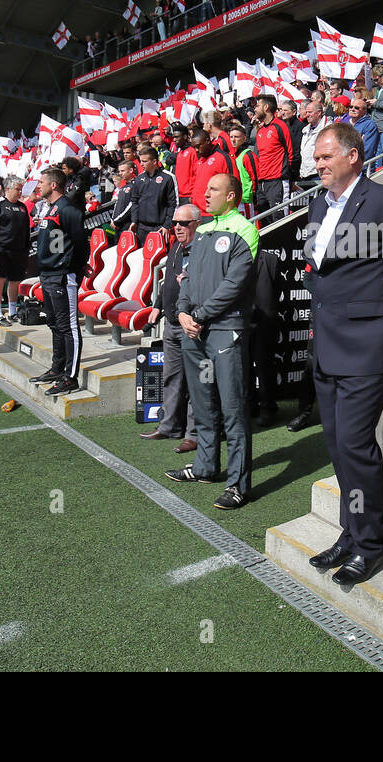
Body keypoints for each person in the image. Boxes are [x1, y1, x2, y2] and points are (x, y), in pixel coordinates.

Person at [303, 123, 383, 586]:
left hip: (368, 346)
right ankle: (351, 530)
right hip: (328, 344)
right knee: (338, 445)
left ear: (354, 156)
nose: (317, 165)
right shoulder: (320, 202)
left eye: (325, 157)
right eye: (316, 158)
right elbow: (317, 263)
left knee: (356, 445)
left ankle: (370, 544)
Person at [166, 174, 259, 510]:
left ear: (232, 196)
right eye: (206, 189)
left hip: (224, 333)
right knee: (204, 403)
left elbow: (234, 284)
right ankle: (206, 466)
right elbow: (189, 279)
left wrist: (200, 315)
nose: (206, 194)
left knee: (233, 408)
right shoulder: (202, 230)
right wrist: (182, 312)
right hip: (195, 334)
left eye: (214, 190)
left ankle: (238, 484)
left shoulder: (245, 230)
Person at [140, 203, 201, 454]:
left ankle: (194, 434)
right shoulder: (176, 246)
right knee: (171, 376)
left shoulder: (203, 250)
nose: (177, 227)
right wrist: (157, 306)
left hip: (191, 325)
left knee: (197, 383)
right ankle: (169, 426)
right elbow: (167, 282)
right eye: (175, 223)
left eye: (183, 223)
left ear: (196, 223)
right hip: (171, 323)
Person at [29, 169, 89, 398]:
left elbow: (80, 242)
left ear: (53, 185)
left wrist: (72, 267)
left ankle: (70, 377)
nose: (38, 185)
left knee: (68, 326)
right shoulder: (51, 208)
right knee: (54, 323)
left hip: (62, 275)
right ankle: (57, 369)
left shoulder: (68, 209)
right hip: (47, 273)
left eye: (41, 182)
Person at [0, 178, 32, 326]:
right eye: (17, 189)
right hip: (1, 250)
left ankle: (13, 312)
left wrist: (26, 248)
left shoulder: (22, 207)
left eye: (21, 189)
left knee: (15, 281)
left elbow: (27, 229)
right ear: (8, 189)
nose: (20, 192)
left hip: (18, 251)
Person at [251, 94, 295, 220]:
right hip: (262, 182)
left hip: (277, 181)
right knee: (265, 221)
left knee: (280, 220)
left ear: (266, 107)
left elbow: (292, 153)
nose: (255, 109)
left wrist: (289, 176)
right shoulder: (260, 131)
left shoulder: (280, 126)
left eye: (257, 106)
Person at [131, 146, 177, 239]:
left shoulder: (168, 177)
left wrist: (167, 225)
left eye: (144, 161)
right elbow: (134, 201)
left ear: (154, 161)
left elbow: (173, 204)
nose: (141, 164)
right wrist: (134, 221)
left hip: (160, 228)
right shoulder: (139, 179)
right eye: (140, 161)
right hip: (142, 227)